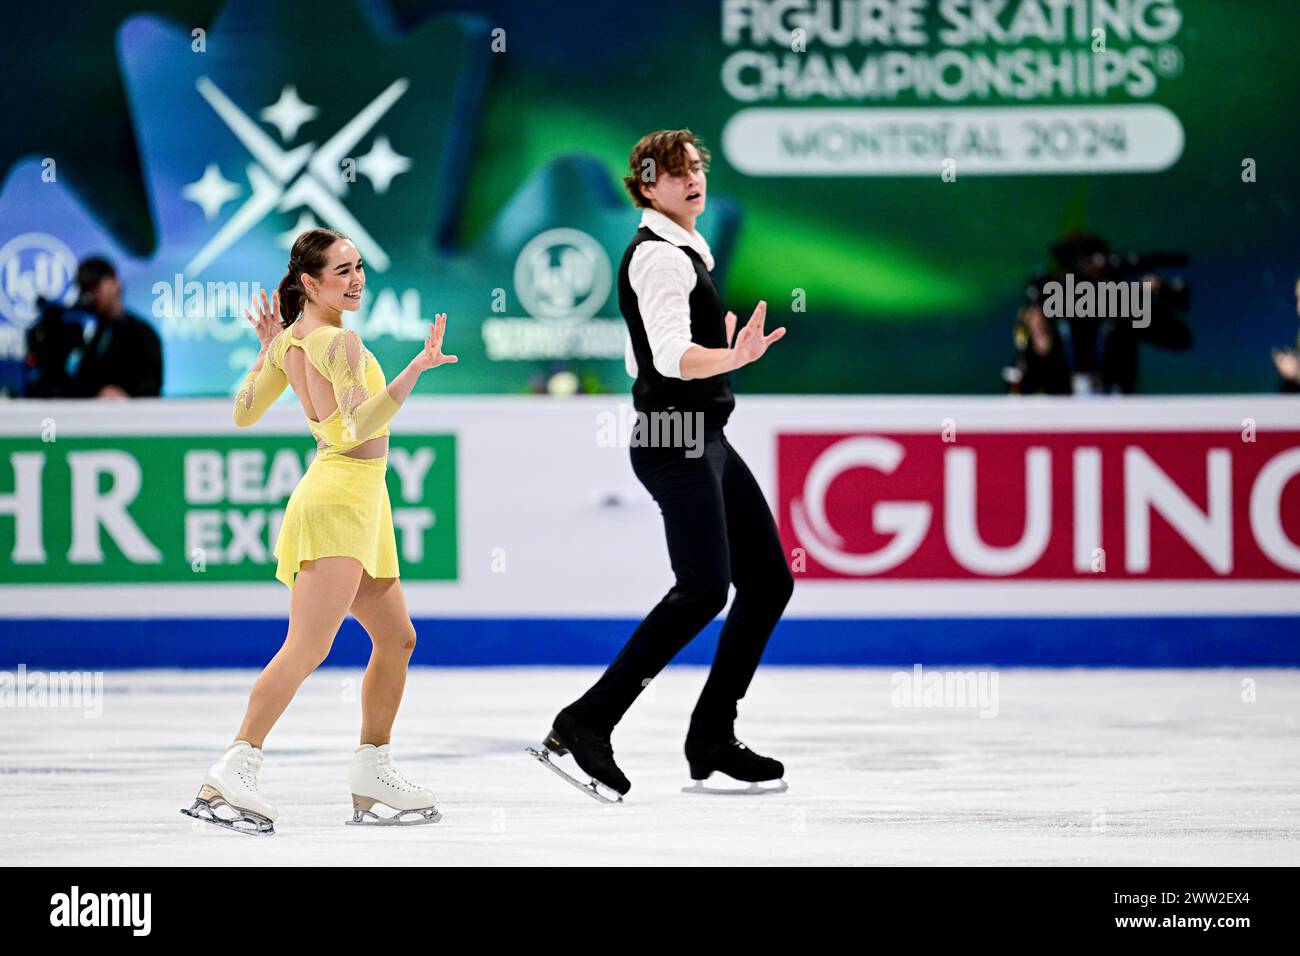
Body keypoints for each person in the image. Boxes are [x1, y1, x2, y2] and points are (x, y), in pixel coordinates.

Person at [534, 130, 794, 799]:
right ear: (645, 187)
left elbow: (643, 355)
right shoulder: (660, 260)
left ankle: (711, 734)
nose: (691, 179)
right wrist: (732, 359)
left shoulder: (683, 249)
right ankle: (586, 721)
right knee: (705, 588)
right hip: (676, 439)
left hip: (702, 434)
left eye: (697, 167)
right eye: (674, 172)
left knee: (766, 582)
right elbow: (671, 356)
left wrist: (724, 365)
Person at [181, 228, 457, 834]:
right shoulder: (340, 342)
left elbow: (243, 410)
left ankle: (372, 769)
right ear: (309, 282)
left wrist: (265, 348)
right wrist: (415, 368)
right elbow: (360, 424)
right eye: (342, 271)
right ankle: (236, 764)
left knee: (398, 638)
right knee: (307, 647)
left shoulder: (291, 342)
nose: (356, 279)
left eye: (359, 266)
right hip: (338, 502)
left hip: (357, 502)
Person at [69, 256, 163, 398]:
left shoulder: (143, 333)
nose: (93, 295)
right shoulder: (80, 331)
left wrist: (123, 396)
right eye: (87, 289)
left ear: (115, 283)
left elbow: (152, 383)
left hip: (132, 416)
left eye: (97, 286)